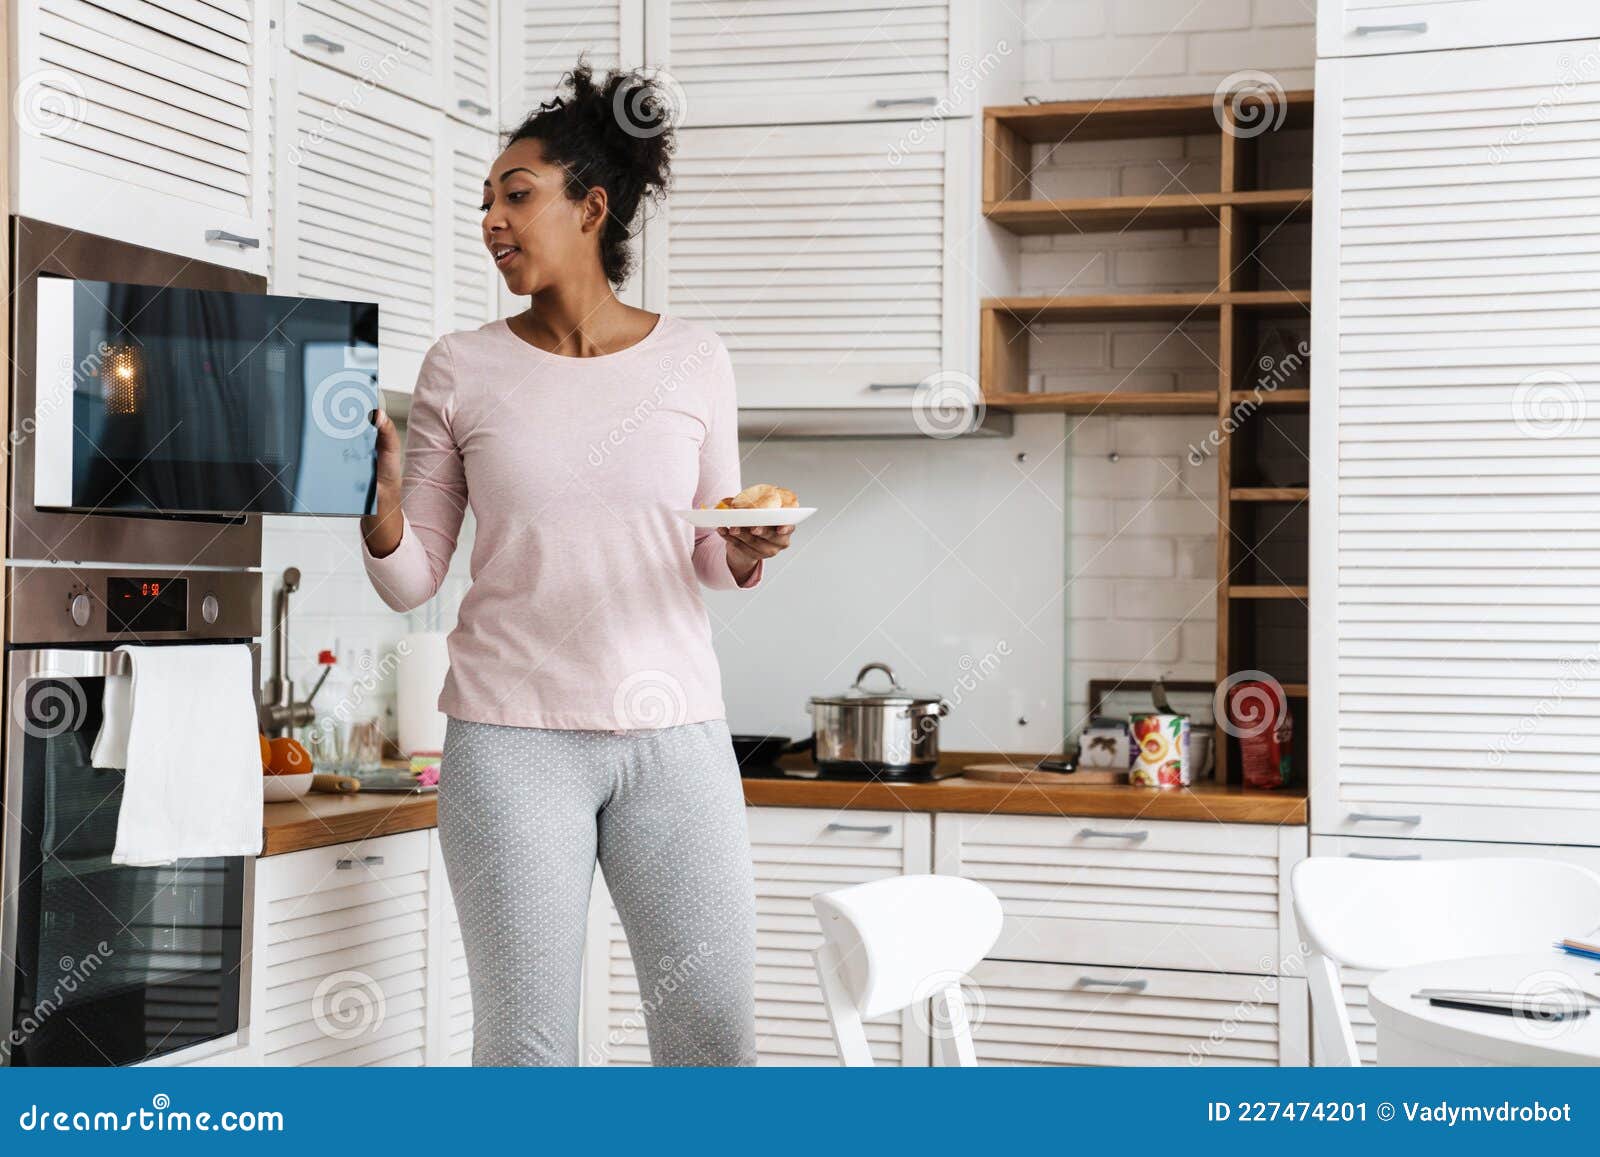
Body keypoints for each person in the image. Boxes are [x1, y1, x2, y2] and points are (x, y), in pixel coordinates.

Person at [359, 62, 795, 1065]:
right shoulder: (460, 365)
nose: (492, 221)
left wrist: (745, 542)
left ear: (592, 206)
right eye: (485, 202)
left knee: (712, 1034)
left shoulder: (694, 357)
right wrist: (379, 512)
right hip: (512, 744)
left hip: (673, 734)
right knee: (527, 1047)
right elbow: (413, 574)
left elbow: (709, 548)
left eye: (517, 195)